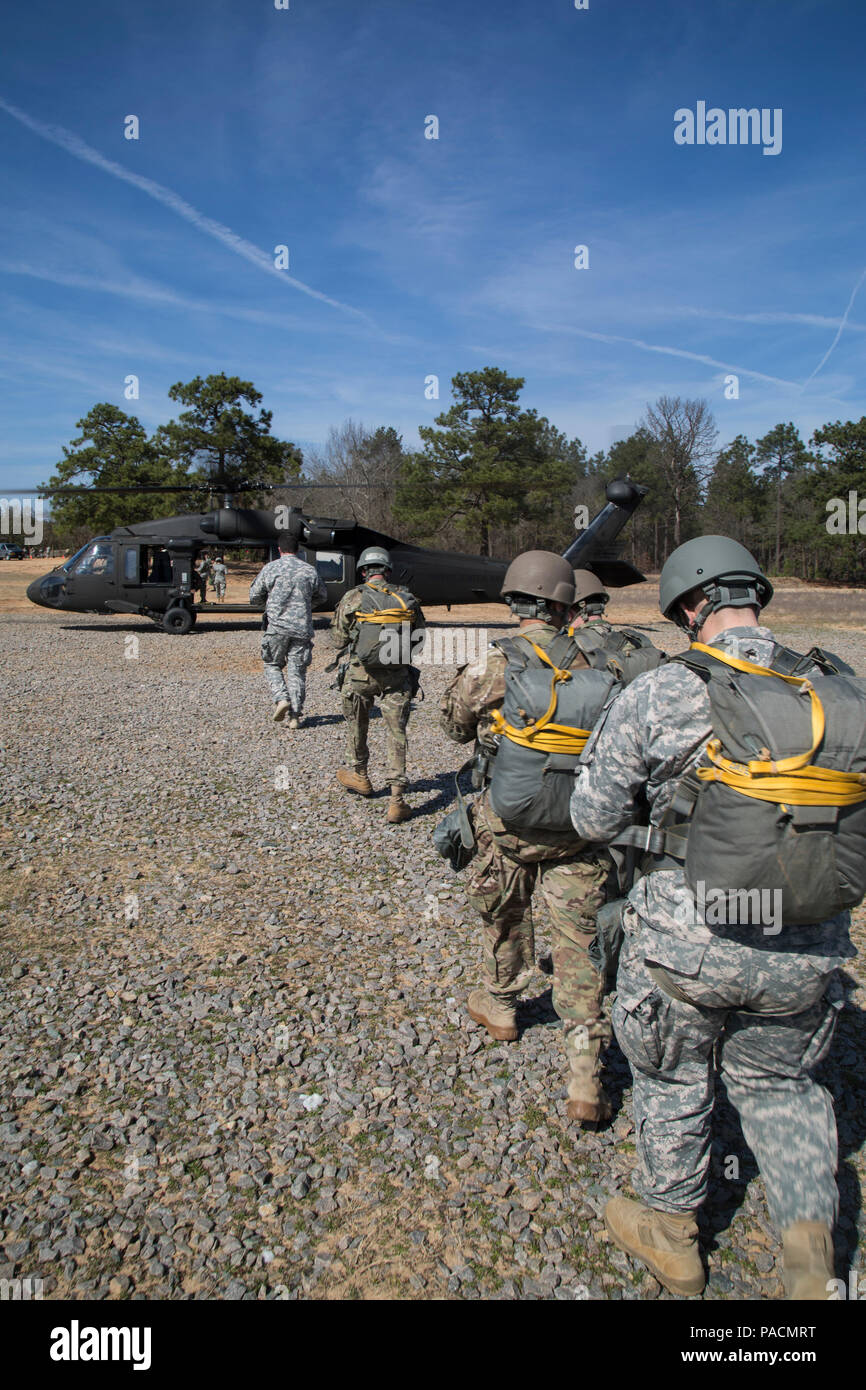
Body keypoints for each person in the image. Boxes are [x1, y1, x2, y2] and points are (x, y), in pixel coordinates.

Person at [569, 536, 860, 1299]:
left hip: (686, 946)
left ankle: (673, 1236)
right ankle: (807, 1252)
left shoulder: (663, 691)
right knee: (783, 1086)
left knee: (671, 1079)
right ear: (755, 596)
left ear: (689, 608)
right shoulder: (833, 685)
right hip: (804, 944)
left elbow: (594, 819)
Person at [439, 551, 615, 1126]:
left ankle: (502, 1005)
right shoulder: (607, 660)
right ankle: (585, 1073)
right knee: (579, 942)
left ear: (515, 603)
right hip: (581, 828)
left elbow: (454, 725)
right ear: (567, 605)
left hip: (509, 824)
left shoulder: (497, 662)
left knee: (503, 914)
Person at [330, 546, 425, 824]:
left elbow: (338, 640)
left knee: (357, 724)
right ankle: (397, 800)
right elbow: (419, 642)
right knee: (397, 734)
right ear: (388, 571)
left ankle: (360, 776)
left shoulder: (353, 597)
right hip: (396, 676)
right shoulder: (406, 598)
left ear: (363, 572)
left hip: (360, 675)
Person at [249, 535, 327, 727]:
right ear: (298, 550)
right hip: (302, 629)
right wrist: (305, 606)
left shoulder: (271, 568)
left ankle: (281, 698)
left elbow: (254, 596)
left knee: (272, 664)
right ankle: (295, 716)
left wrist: (269, 606)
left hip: (277, 627)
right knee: (297, 671)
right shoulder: (309, 571)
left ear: (279, 549)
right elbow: (322, 596)